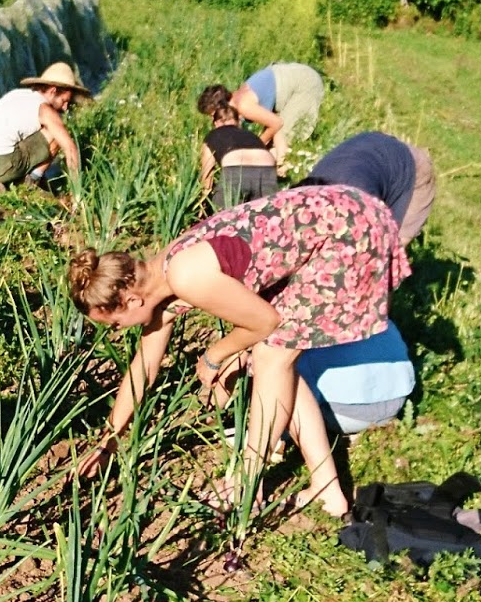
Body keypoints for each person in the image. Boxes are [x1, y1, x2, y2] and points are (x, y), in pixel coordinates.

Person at [67, 185, 409, 519]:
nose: (116, 331)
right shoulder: (163, 278)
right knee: (278, 357)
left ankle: (246, 482)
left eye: (113, 323)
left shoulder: (187, 275)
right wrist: (106, 443)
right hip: (335, 216)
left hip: (347, 230)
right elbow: (142, 369)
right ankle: (327, 487)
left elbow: (266, 322)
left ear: (130, 301)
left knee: (270, 354)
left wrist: (215, 354)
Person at [0, 61, 91, 189]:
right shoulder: (45, 110)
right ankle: (31, 183)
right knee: (55, 133)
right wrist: (77, 190)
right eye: (64, 101)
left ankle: (2, 181)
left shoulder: (17, 94)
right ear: (53, 91)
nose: (65, 108)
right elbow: (70, 149)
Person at [305, 131, 436, 245]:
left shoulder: (361, 207)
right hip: (371, 150)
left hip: (414, 169)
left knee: (393, 246)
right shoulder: (304, 194)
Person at [198, 63, 324, 174]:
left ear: (221, 106)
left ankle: (292, 173)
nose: (214, 120)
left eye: (213, 115)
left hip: (304, 84)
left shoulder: (243, 105)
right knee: (275, 140)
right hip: (290, 78)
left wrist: (257, 146)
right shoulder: (238, 99)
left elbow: (276, 123)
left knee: (285, 136)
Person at [198, 98, 278, 209]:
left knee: (224, 216)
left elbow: (207, 175)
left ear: (216, 123)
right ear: (238, 122)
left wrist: (203, 201)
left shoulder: (212, 136)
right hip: (267, 169)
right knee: (265, 216)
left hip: (235, 170)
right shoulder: (249, 134)